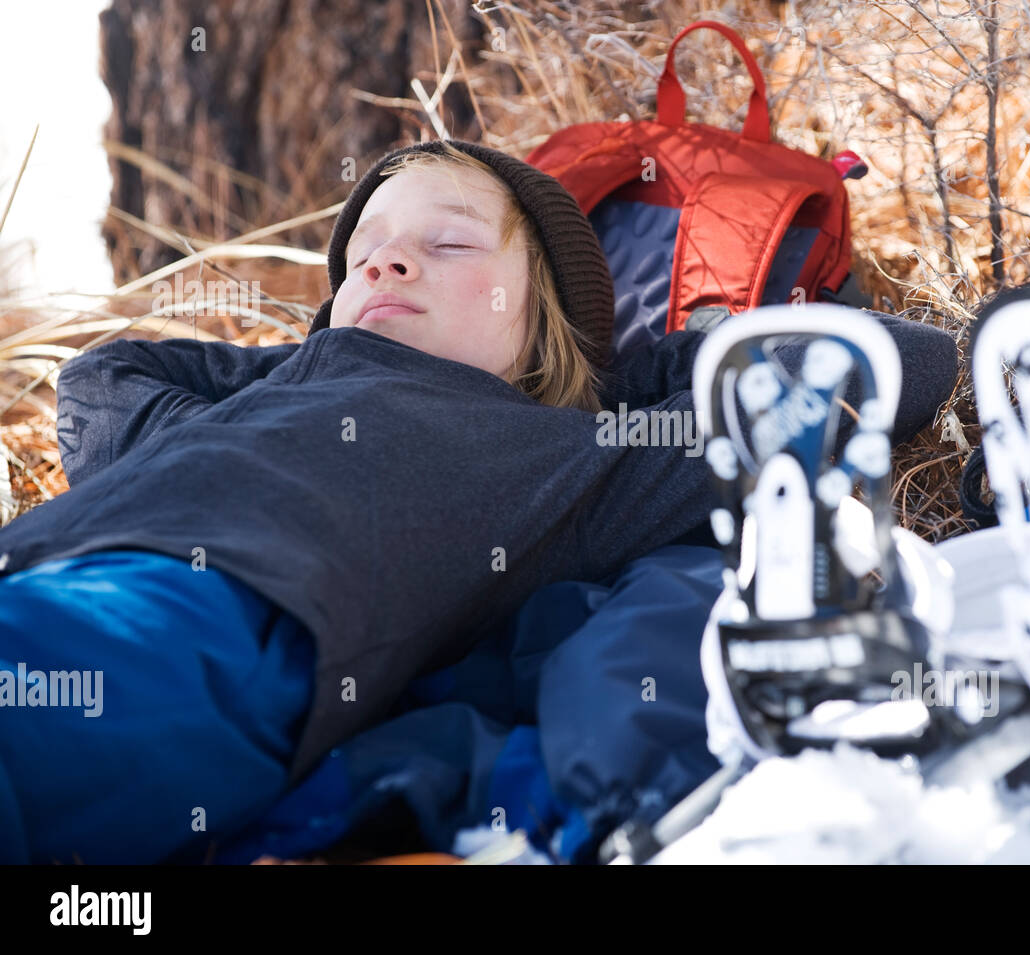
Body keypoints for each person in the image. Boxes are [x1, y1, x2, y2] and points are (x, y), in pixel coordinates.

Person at [0, 140, 957, 863]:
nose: (383, 263)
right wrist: (320, 355)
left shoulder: (561, 462)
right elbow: (102, 375)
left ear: (543, 321)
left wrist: (605, 372)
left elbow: (882, 365)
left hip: (171, 630)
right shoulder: (232, 409)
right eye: (361, 257)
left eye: (446, 243)